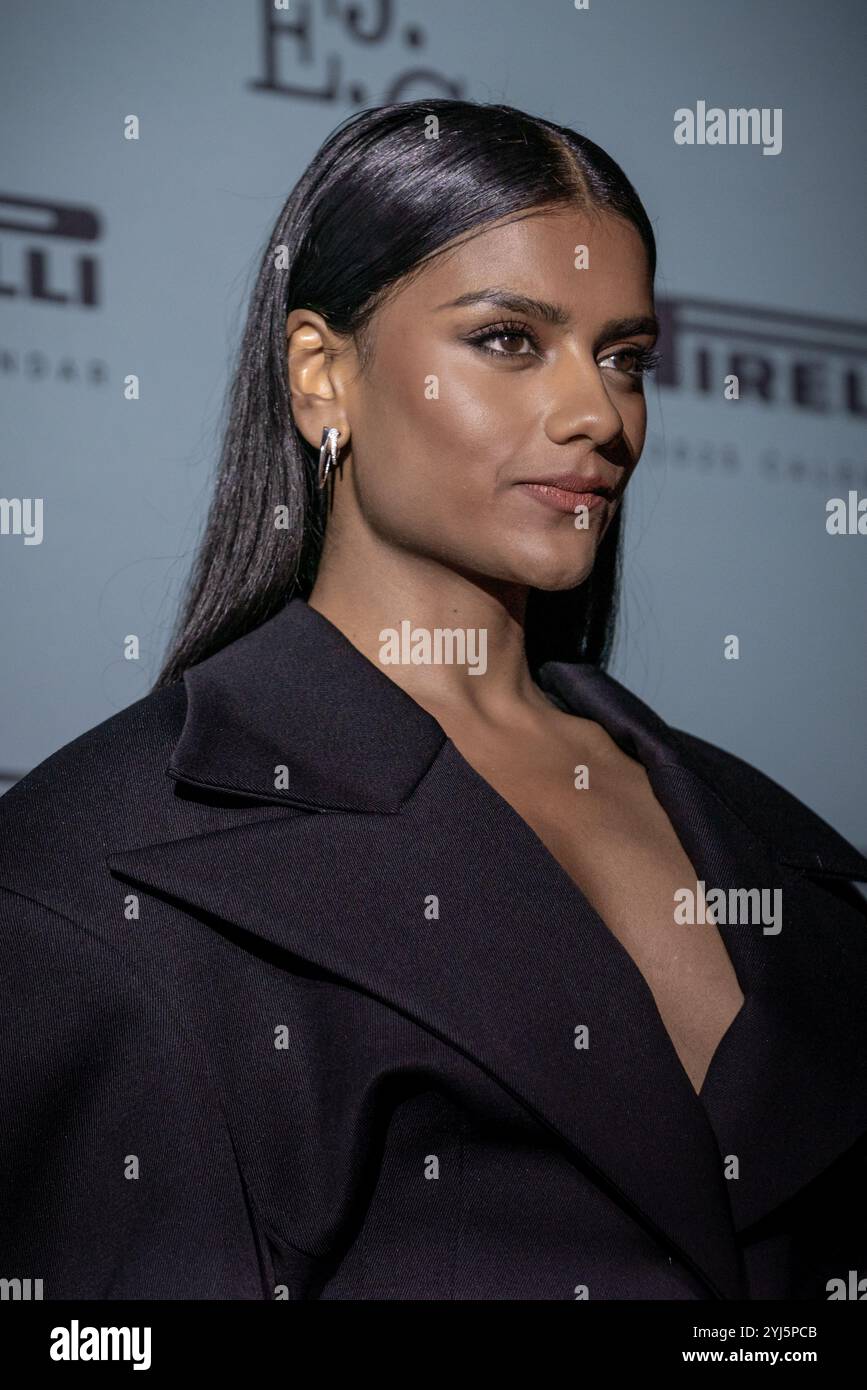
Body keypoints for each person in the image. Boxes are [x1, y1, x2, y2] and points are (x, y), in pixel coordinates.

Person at [2, 99, 866, 1302]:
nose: (599, 417)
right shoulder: (96, 869)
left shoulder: (784, 846)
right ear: (321, 378)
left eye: (625, 357)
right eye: (511, 339)